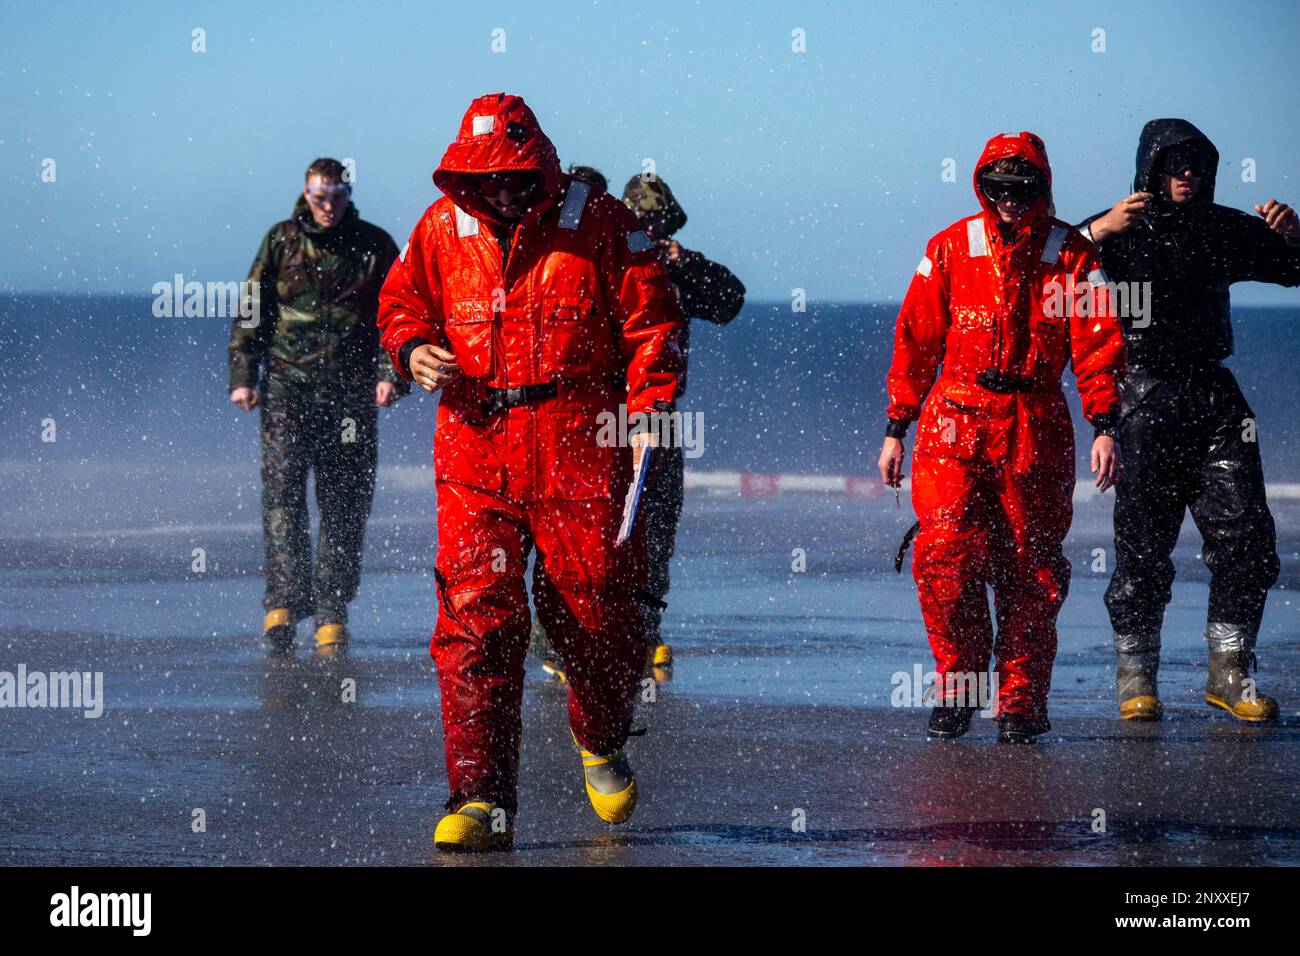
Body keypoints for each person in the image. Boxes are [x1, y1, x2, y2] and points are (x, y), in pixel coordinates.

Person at [377, 93, 683, 851]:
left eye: (517, 178)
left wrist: (650, 403)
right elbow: (400, 303)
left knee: (598, 614)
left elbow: (654, 322)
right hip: (476, 446)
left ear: (540, 166)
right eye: (490, 181)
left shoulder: (604, 223)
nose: (505, 193)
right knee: (475, 617)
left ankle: (602, 735)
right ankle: (480, 799)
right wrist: (412, 348)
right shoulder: (441, 229)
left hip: (583, 444)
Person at [879, 132, 1125, 744]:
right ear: (982, 187)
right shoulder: (950, 248)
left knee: (1032, 567)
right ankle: (959, 690)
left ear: (1041, 187)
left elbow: (1098, 345)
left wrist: (1104, 425)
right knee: (944, 558)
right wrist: (895, 427)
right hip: (953, 422)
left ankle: (1019, 701)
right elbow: (915, 337)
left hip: (1035, 425)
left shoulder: (1071, 255)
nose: (1010, 201)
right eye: (999, 190)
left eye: (1022, 190)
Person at [1079, 119, 1300, 722]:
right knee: (1144, 547)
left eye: (1197, 165)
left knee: (1248, 537)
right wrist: (1096, 231)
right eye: (1175, 164)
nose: (1187, 175)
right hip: (1144, 396)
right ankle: (1135, 676)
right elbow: (1049, 278)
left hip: (1214, 397)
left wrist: (1294, 236)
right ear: (1151, 166)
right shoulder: (1119, 225)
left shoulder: (1223, 227)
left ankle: (1230, 672)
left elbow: (1295, 269)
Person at [229, 158, 406, 655]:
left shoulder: (374, 244)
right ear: (306, 194)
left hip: (351, 396)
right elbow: (253, 308)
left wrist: (391, 373)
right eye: (319, 196)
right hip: (288, 391)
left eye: (337, 196)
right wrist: (243, 377)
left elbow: (400, 311)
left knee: (344, 504)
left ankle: (331, 610)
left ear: (350, 194)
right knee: (282, 497)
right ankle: (283, 602)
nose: (328, 206)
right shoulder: (282, 240)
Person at [621, 173, 745, 672]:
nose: (653, 231)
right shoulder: (606, 260)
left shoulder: (673, 267)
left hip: (663, 414)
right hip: (606, 413)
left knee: (659, 525)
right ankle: (567, 643)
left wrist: (684, 262)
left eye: (660, 224)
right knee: (591, 528)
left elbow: (730, 301)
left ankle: (646, 633)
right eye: (645, 223)